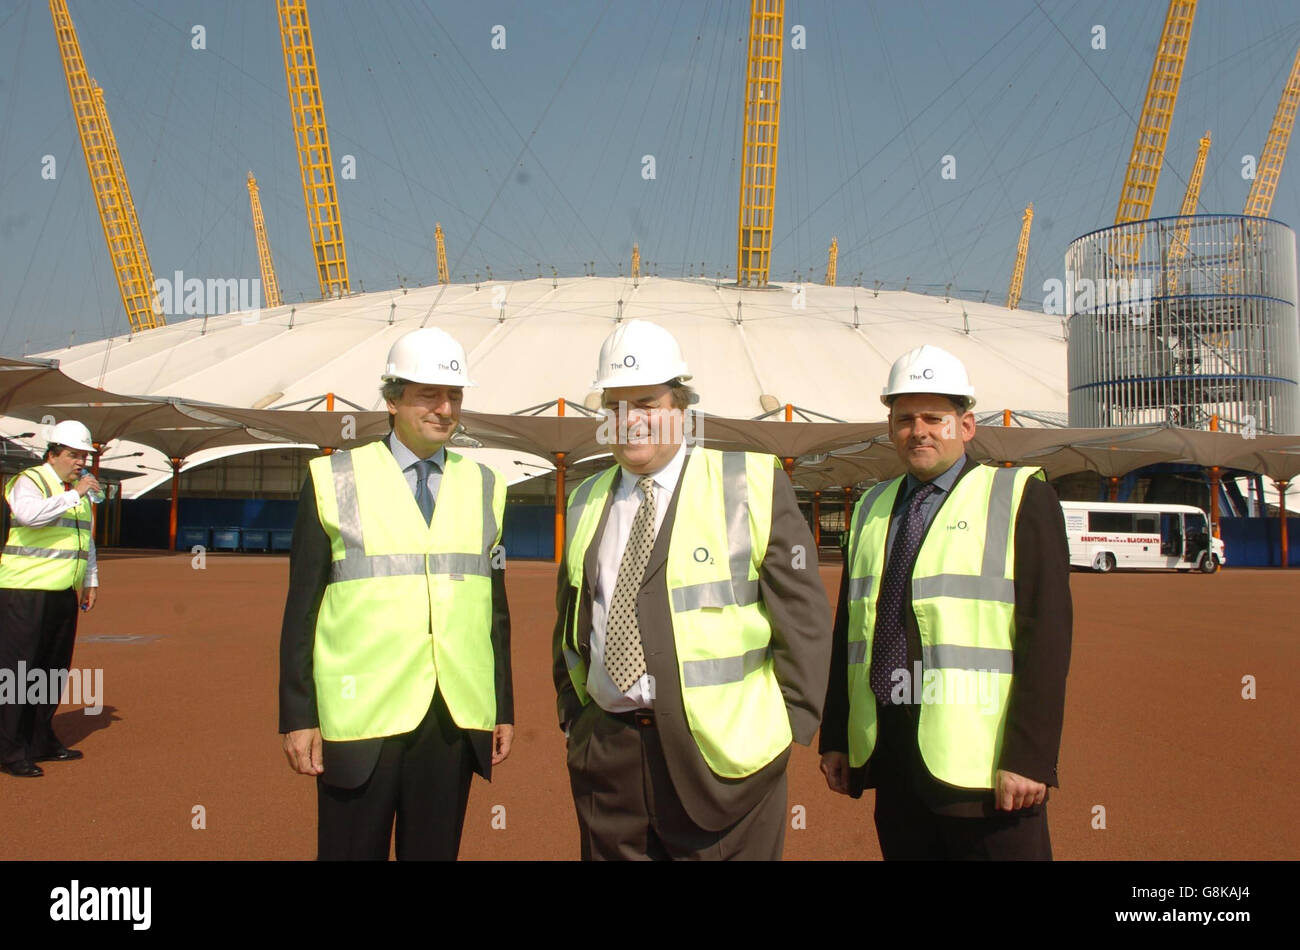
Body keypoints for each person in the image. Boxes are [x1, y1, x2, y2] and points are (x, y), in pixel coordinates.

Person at [553, 319, 832, 860]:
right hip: (609, 756)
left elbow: (804, 621)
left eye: (647, 403)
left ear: (682, 407)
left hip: (725, 763)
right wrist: (576, 716)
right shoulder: (586, 497)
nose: (630, 420)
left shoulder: (749, 481)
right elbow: (574, 617)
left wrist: (785, 731)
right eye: (615, 405)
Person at [819, 344, 1072, 860]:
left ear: (967, 425)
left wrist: (1031, 756)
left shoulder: (1018, 496)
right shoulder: (871, 507)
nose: (920, 430)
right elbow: (850, 629)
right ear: (890, 428)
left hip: (982, 769)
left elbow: (1047, 635)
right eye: (905, 418)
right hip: (892, 753)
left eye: (935, 417)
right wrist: (837, 734)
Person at [278, 327, 514, 860]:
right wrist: (298, 716)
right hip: (360, 713)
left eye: (454, 395)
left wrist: (502, 705)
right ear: (391, 400)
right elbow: (301, 610)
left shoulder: (486, 485)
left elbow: (494, 610)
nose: (444, 407)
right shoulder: (332, 478)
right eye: (428, 394)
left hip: (452, 715)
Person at [0, 420, 101, 778]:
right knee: (18, 671)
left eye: (84, 456)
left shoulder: (78, 492)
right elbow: (28, 515)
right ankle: (10, 749)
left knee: (52, 670)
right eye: (73, 455)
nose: (80, 463)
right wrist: (74, 494)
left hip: (62, 592)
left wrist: (91, 580)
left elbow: (84, 539)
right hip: (24, 590)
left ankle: (40, 739)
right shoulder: (31, 481)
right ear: (53, 453)